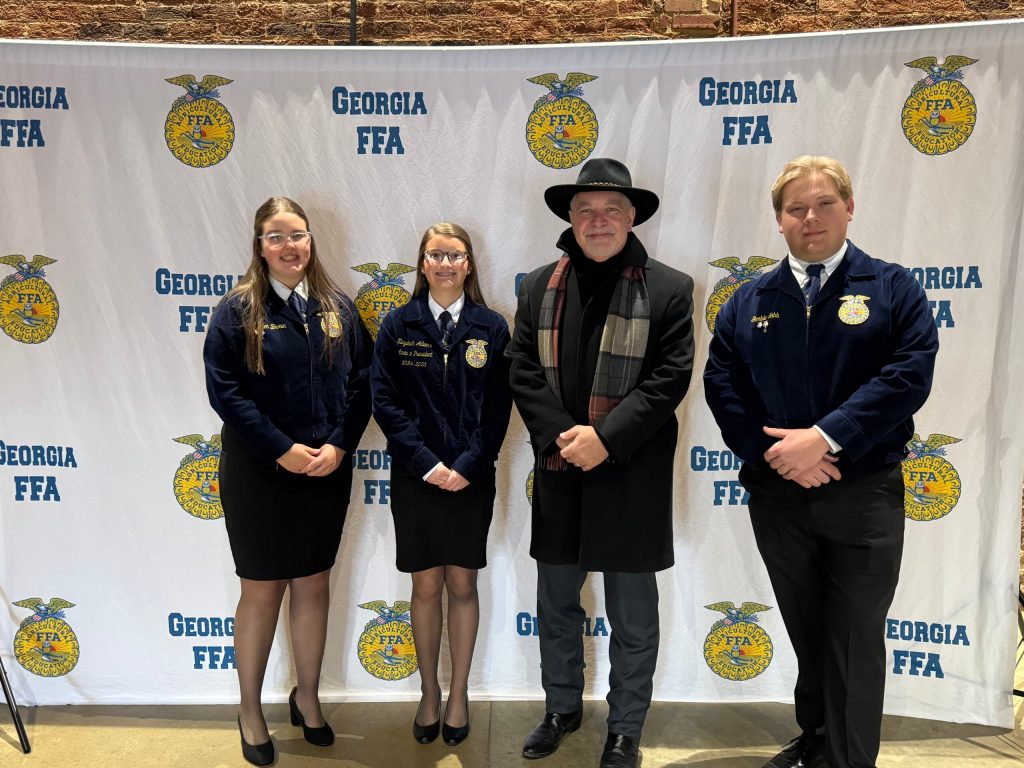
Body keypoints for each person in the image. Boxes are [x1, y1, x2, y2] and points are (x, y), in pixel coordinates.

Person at [704, 156, 939, 768]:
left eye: (825, 203)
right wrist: (778, 455)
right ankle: (816, 741)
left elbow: (908, 376)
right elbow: (723, 382)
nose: (811, 217)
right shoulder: (749, 299)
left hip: (863, 492)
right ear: (778, 220)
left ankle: (849, 759)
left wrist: (827, 437)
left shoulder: (892, 289)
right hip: (779, 494)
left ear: (850, 208)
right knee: (808, 627)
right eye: (796, 208)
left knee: (854, 637)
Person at [506, 158, 695, 768]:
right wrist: (569, 438)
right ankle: (561, 709)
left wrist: (606, 439)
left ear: (632, 216)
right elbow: (522, 370)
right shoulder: (536, 286)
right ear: (569, 216)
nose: (598, 220)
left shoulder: (669, 288)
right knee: (556, 605)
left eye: (611, 209)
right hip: (562, 472)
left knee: (632, 615)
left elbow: (670, 378)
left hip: (630, 476)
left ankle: (625, 728)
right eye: (585, 209)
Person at [203, 197, 372, 766]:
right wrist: (281, 449)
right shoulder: (236, 310)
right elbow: (224, 390)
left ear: (310, 240)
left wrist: (340, 444)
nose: (288, 246)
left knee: (313, 584)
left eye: (296, 235)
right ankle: (250, 708)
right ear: (259, 245)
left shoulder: (338, 308)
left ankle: (308, 696)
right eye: (276, 237)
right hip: (259, 473)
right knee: (262, 589)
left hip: (326, 469)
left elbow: (364, 382)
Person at [370, 222, 513, 748]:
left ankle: (458, 695)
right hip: (416, 478)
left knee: (462, 584)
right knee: (425, 585)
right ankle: (429, 693)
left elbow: (500, 407)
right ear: (422, 264)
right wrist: (428, 463)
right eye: (436, 255)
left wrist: (469, 464)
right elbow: (384, 402)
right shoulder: (398, 325)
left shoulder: (492, 327)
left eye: (455, 254)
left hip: (471, 479)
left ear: (470, 264)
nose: (446, 263)